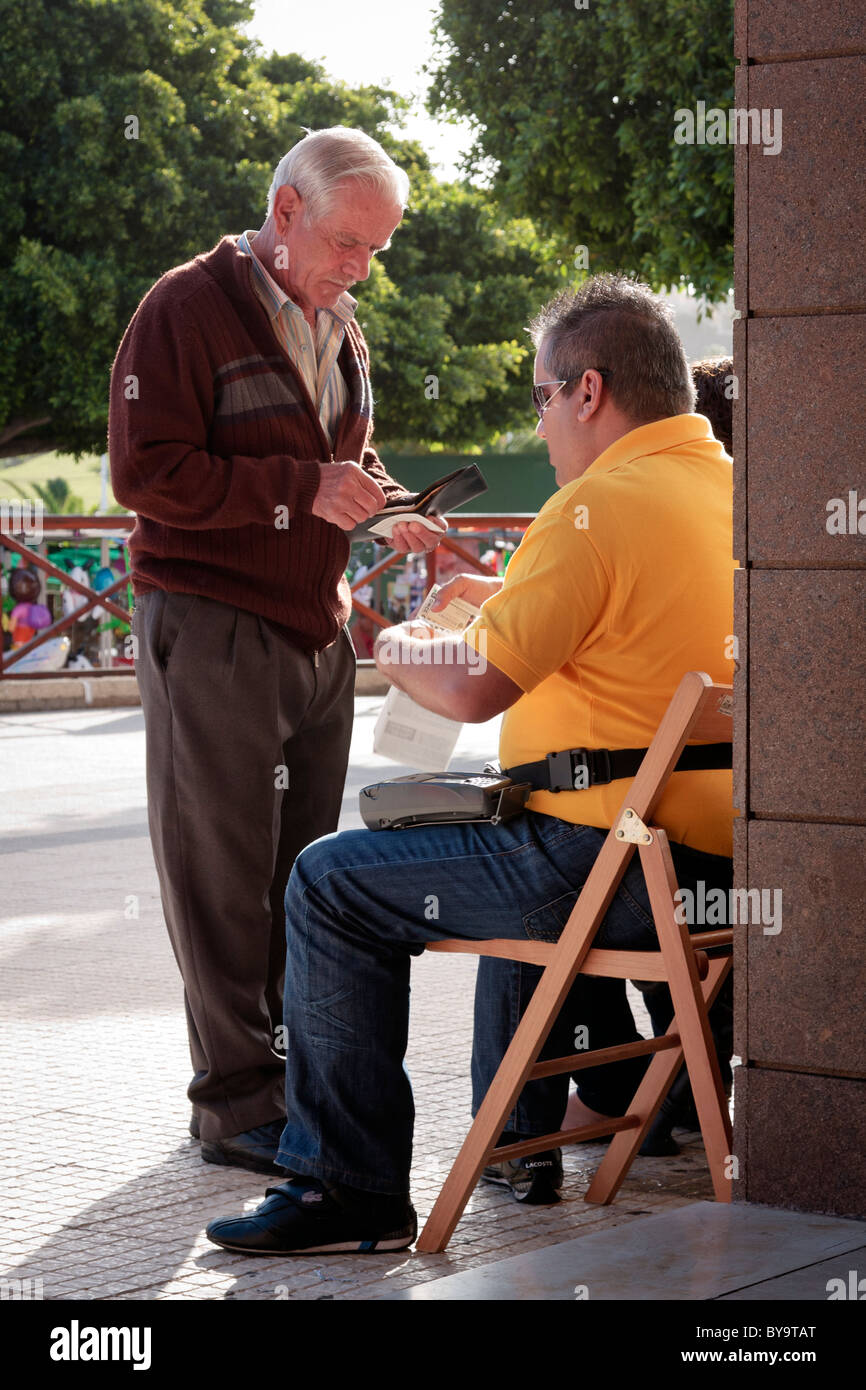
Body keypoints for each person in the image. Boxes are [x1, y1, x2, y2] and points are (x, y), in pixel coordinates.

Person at [206, 273, 736, 1254]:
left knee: (328, 879)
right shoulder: (731, 488)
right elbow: (611, 612)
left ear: (588, 391)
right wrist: (503, 587)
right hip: (717, 866)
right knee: (466, 834)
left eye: (540, 397)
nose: (539, 427)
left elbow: (469, 690)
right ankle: (518, 1134)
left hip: (605, 867)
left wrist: (400, 641)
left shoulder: (597, 506)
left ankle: (345, 1187)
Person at [108, 127, 443, 1174]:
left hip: (315, 626)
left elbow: (337, 457)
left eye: (377, 250)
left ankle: (291, 1089)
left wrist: (387, 505)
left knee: (300, 878)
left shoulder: (342, 328)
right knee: (221, 876)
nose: (360, 266)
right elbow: (143, 473)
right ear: (285, 213)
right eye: (349, 242)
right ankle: (234, 1107)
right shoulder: (182, 306)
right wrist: (302, 490)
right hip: (209, 621)